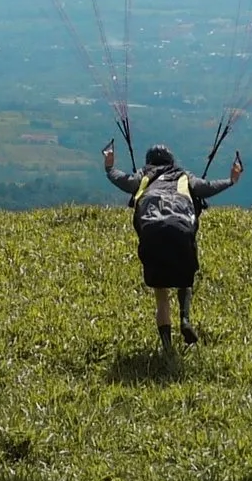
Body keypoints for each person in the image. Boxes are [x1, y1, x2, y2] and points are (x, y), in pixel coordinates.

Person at [103, 140, 243, 352]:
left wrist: (109, 166)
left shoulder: (144, 176)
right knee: (184, 279)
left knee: (160, 291)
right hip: (181, 228)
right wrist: (231, 180)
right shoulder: (184, 176)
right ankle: (185, 319)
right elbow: (206, 188)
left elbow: (122, 180)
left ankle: (167, 348)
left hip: (151, 230)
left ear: (149, 162)